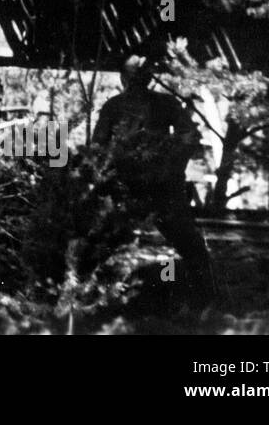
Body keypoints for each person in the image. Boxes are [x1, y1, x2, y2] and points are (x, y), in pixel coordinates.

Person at [92, 53, 217, 307]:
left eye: (141, 74)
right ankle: (102, 300)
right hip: (126, 186)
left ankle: (207, 300)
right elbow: (98, 149)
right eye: (134, 75)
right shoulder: (114, 107)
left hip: (161, 187)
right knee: (104, 243)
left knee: (189, 245)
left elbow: (189, 137)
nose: (138, 80)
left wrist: (169, 164)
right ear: (126, 78)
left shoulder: (165, 104)